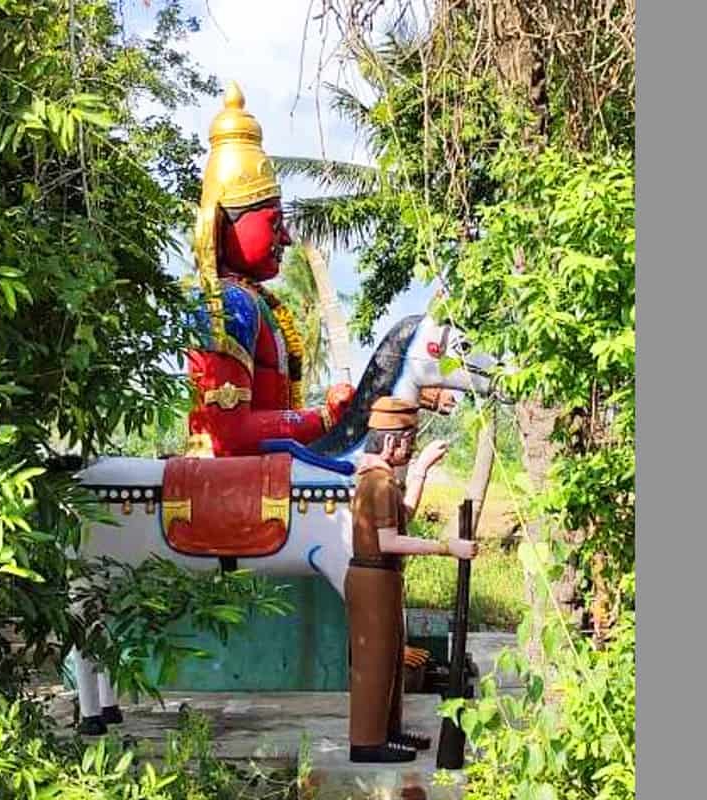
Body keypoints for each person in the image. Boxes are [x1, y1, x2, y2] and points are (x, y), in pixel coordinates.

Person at [184, 82, 355, 457]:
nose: (287, 238)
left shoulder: (253, 299)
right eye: (274, 223)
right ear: (224, 223)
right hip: (228, 481)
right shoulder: (227, 302)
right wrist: (324, 417)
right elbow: (228, 436)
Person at [346, 397, 480, 763]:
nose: (412, 448)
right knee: (375, 661)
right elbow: (390, 541)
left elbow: (403, 514)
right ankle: (368, 741)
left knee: (391, 658)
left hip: (384, 579)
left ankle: (387, 732)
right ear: (390, 442)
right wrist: (446, 547)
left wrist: (420, 470)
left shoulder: (382, 481)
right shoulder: (378, 484)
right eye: (410, 442)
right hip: (373, 578)